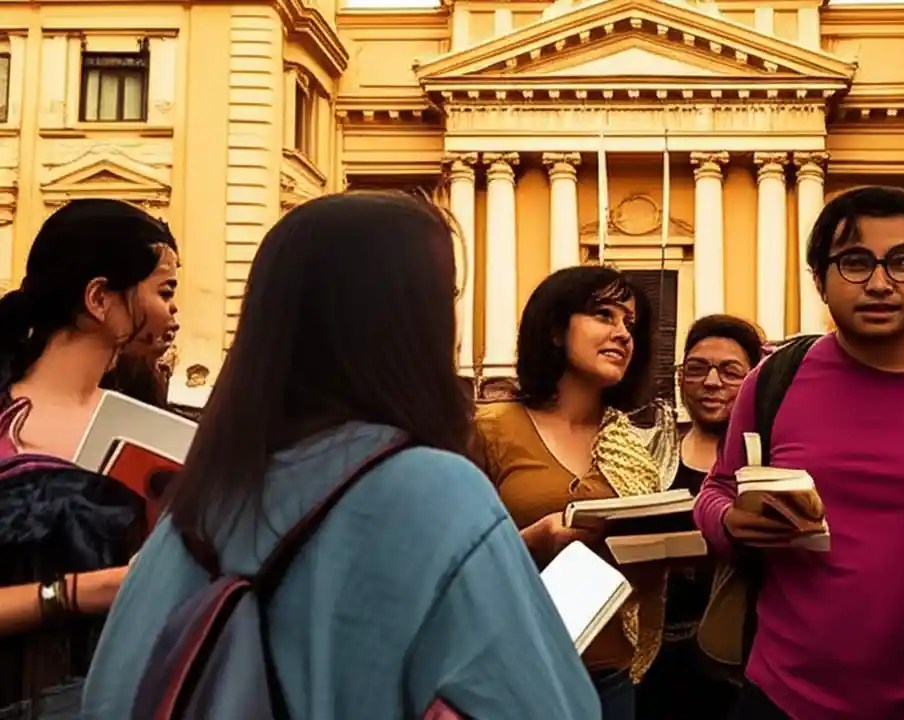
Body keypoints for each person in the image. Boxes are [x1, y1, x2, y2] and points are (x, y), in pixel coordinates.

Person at [81, 192, 598, 719]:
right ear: (411, 327)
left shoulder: (194, 509)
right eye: (447, 300)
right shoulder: (436, 493)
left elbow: (109, 698)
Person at [694, 186, 904, 720]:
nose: (879, 283)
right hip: (783, 698)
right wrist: (732, 524)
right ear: (819, 281)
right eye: (855, 263)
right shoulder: (773, 381)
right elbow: (716, 490)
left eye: (903, 263)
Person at [0, 198, 179, 717]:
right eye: (163, 292)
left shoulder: (166, 430)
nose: (172, 313)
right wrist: (83, 592)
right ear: (100, 298)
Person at [474, 265, 664, 720]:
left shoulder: (633, 448)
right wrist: (531, 542)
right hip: (511, 674)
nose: (622, 334)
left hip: (609, 677)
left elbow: (643, 568)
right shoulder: (490, 429)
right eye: (604, 315)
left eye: (630, 324)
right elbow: (447, 562)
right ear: (556, 330)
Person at [637, 314, 764, 720]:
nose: (711, 383)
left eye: (730, 372)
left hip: (736, 659)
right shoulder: (646, 456)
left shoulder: (769, 465)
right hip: (650, 660)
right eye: (697, 369)